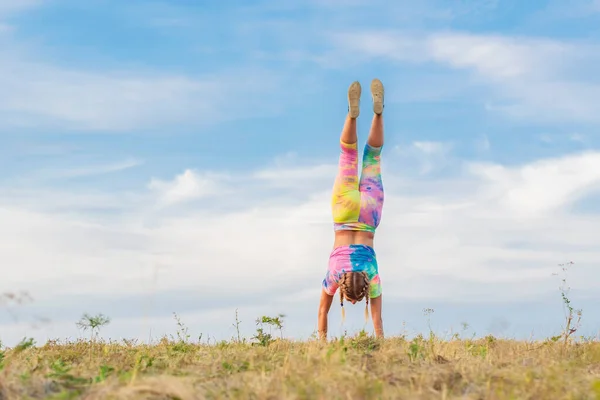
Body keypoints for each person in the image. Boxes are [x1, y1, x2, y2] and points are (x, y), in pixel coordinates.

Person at [318, 78, 385, 340]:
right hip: (344, 213)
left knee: (373, 156)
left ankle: (377, 114)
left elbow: (377, 319)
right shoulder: (334, 275)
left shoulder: (373, 276)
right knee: (348, 154)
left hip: (369, 214)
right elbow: (322, 312)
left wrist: (381, 340)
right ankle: (352, 113)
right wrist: (321, 341)